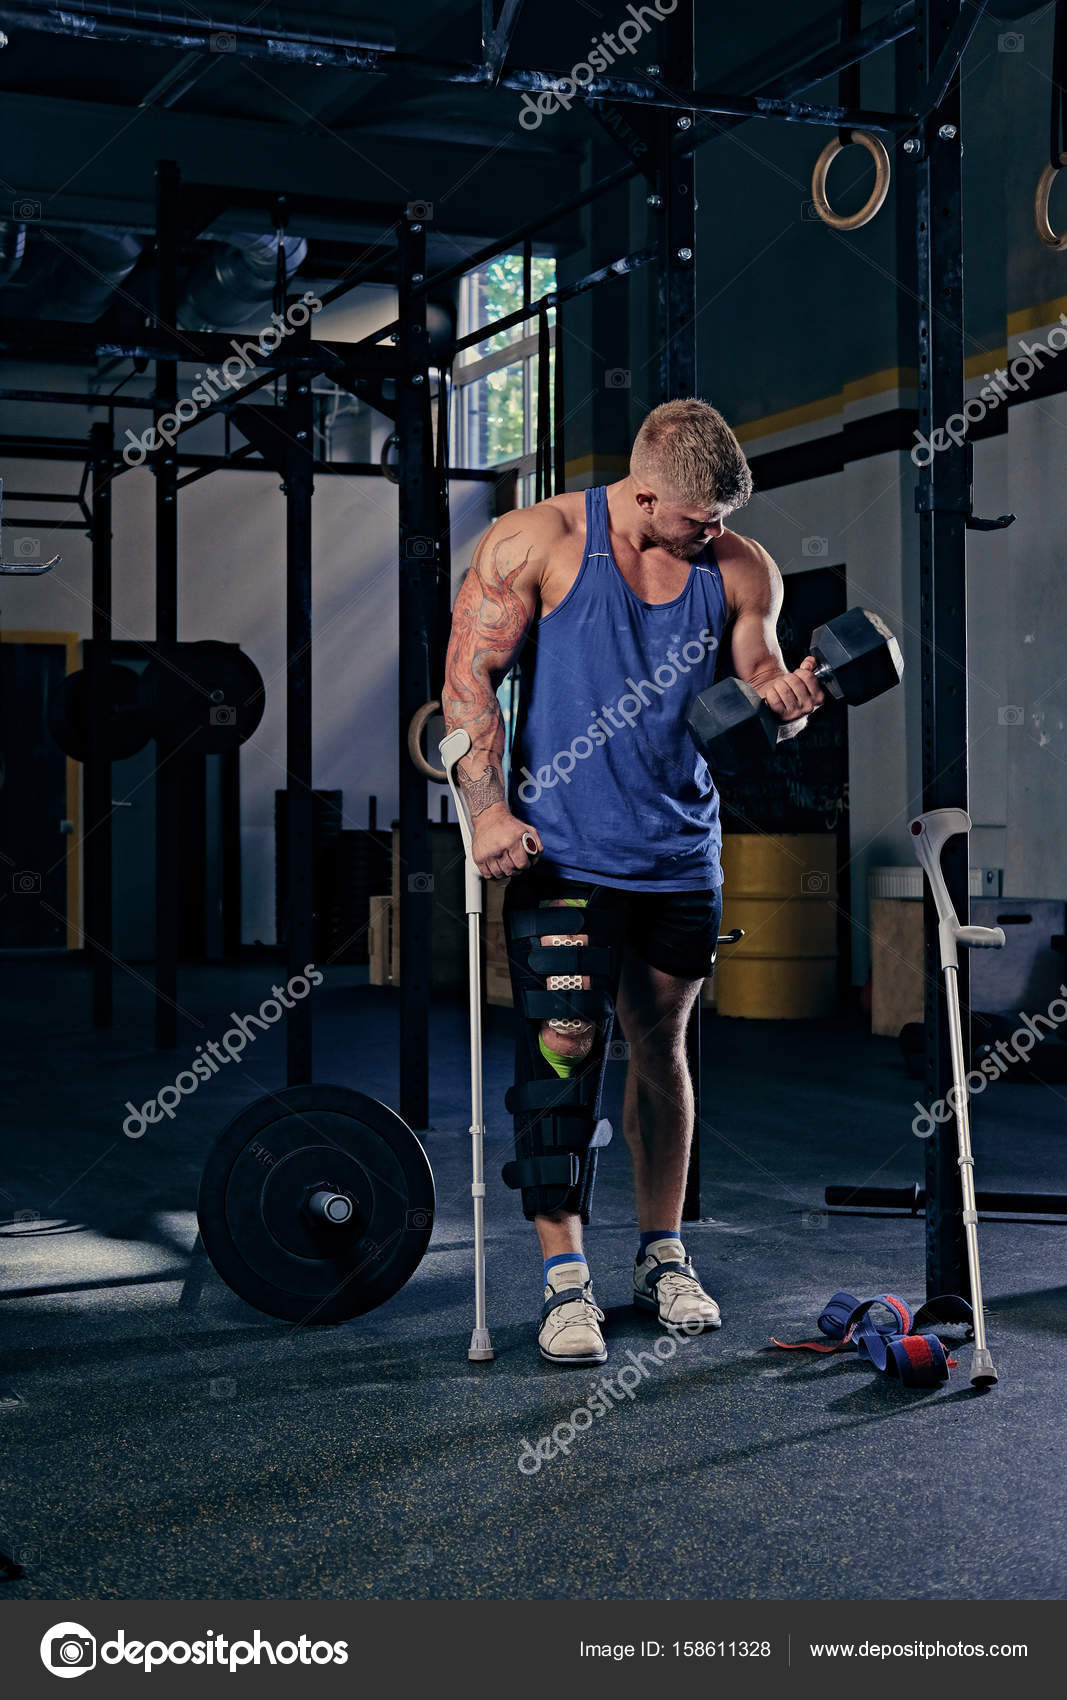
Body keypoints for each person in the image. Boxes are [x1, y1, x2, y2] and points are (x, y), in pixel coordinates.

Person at [442, 398, 824, 1364]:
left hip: (679, 857)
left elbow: (760, 687)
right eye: (698, 518)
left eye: (723, 519)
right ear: (645, 494)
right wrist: (486, 810)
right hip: (562, 855)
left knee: (662, 1049)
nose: (713, 533)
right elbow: (469, 682)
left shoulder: (739, 566)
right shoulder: (536, 540)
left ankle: (663, 1253)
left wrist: (789, 704)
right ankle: (565, 1278)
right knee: (565, 1045)